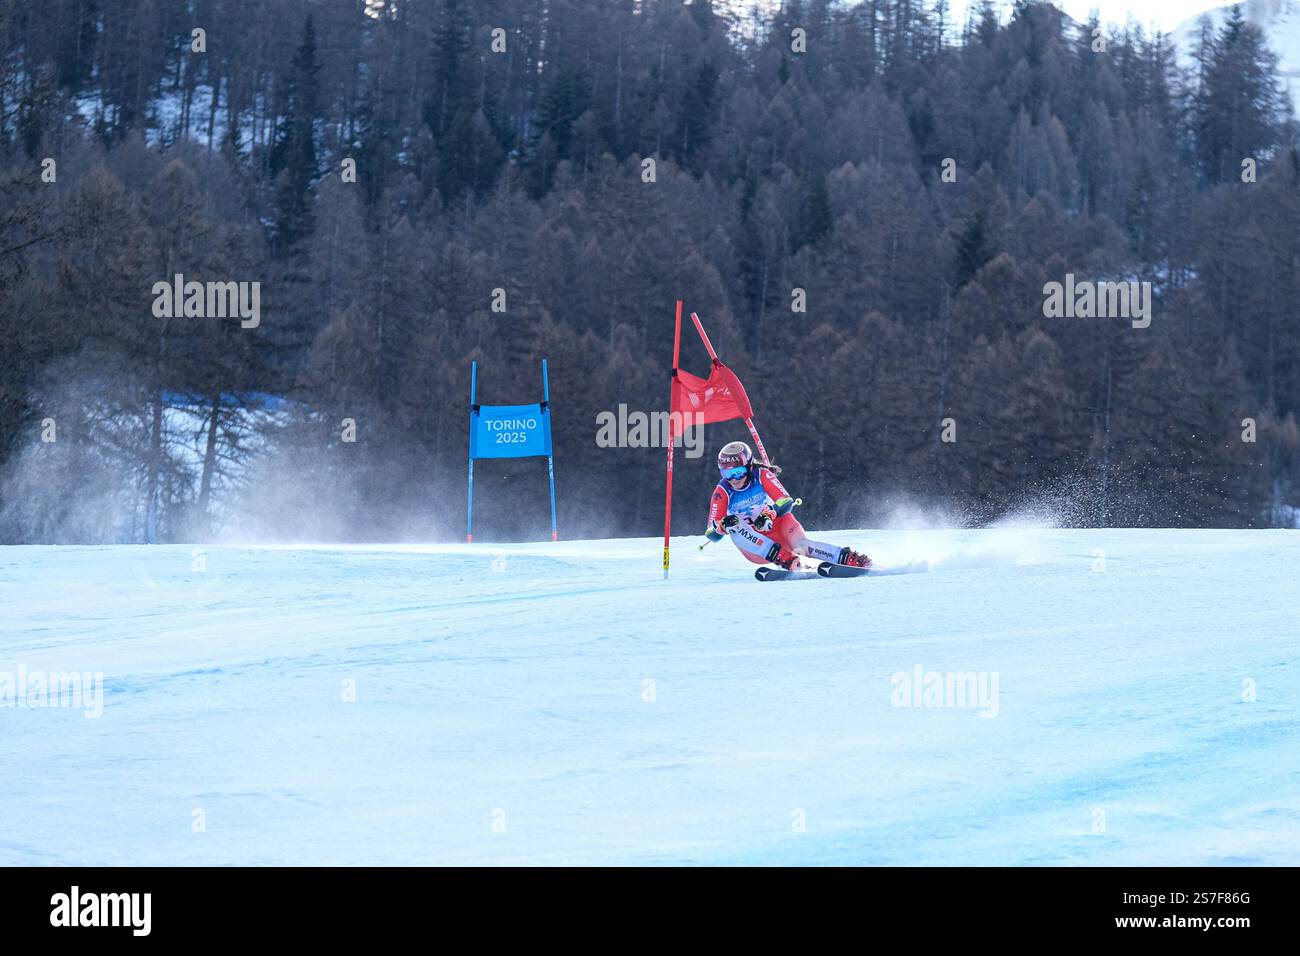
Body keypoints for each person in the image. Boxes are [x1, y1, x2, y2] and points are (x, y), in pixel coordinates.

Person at [704, 440, 871, 570]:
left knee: (803, 547)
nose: (734, 479)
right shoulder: (722, 491)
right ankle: (782, 558)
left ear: (748, 467)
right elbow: (711, 534)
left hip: (780, 527)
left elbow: (786, 501)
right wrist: (721, 527)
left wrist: (770, 513)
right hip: (757, 545)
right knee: (733, 526)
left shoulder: (761, 474)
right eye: (727, 474)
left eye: (738, 472)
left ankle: (849, 559)